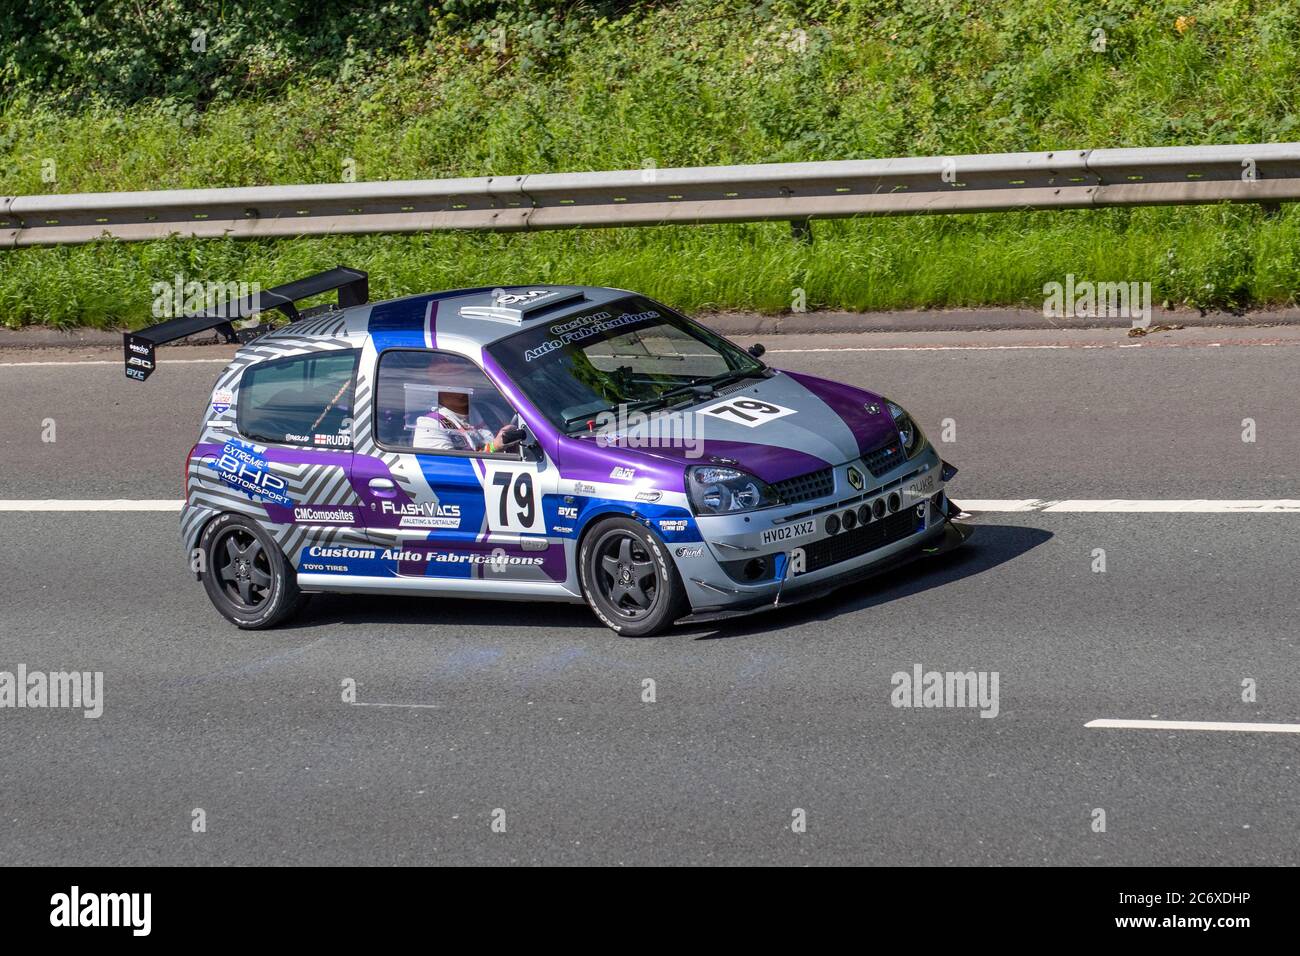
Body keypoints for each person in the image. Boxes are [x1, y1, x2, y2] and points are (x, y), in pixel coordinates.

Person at [413, 388, 519, 453]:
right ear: (439, 392)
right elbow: (455, 470)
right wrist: (494, 447)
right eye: (451, 388)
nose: (460, 392)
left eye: (462, 384)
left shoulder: (488, 409)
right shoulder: (430, 424)